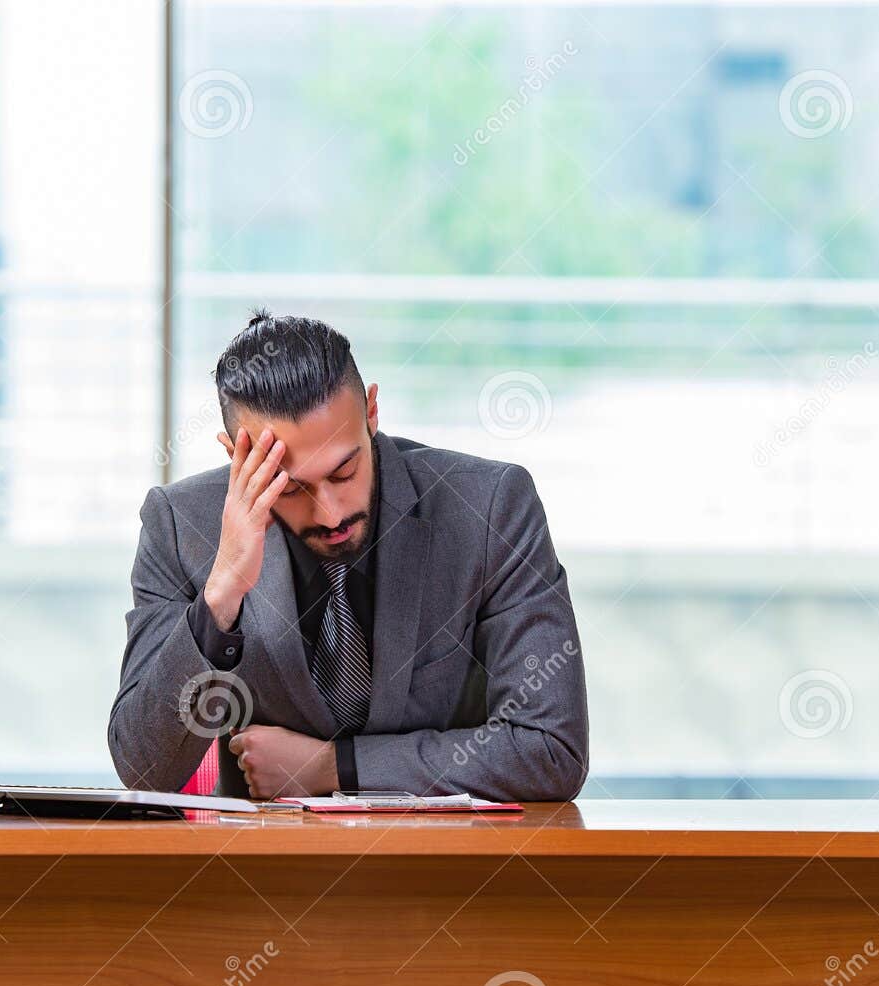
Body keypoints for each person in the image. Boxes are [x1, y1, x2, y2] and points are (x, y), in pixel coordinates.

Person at [108, 310, 588, 801]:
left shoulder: (488, 507)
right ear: (237, 455)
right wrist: (220, 597)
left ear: (371, 412)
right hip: (261, 850)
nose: (331, 512)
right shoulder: (181, 525)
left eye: (343, 472)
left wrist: (334, 767)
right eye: (289, 486)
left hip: (445, 847)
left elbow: (551, 749)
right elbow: (145, 771)